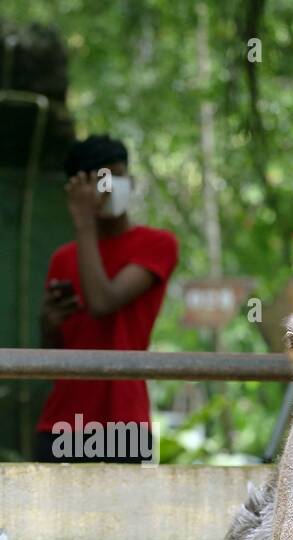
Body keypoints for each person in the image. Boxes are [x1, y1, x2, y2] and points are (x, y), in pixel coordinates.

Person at [35, 135, 178, 463]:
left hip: (124, 421)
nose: (112, 187)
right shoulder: (63, 258)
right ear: (77, 189)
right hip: (61, 423)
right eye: (101, 179)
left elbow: (103, 302)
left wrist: (84, 223)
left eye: (118, 175)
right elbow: (51, 354)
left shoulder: (157, 244)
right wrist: (48, 323)